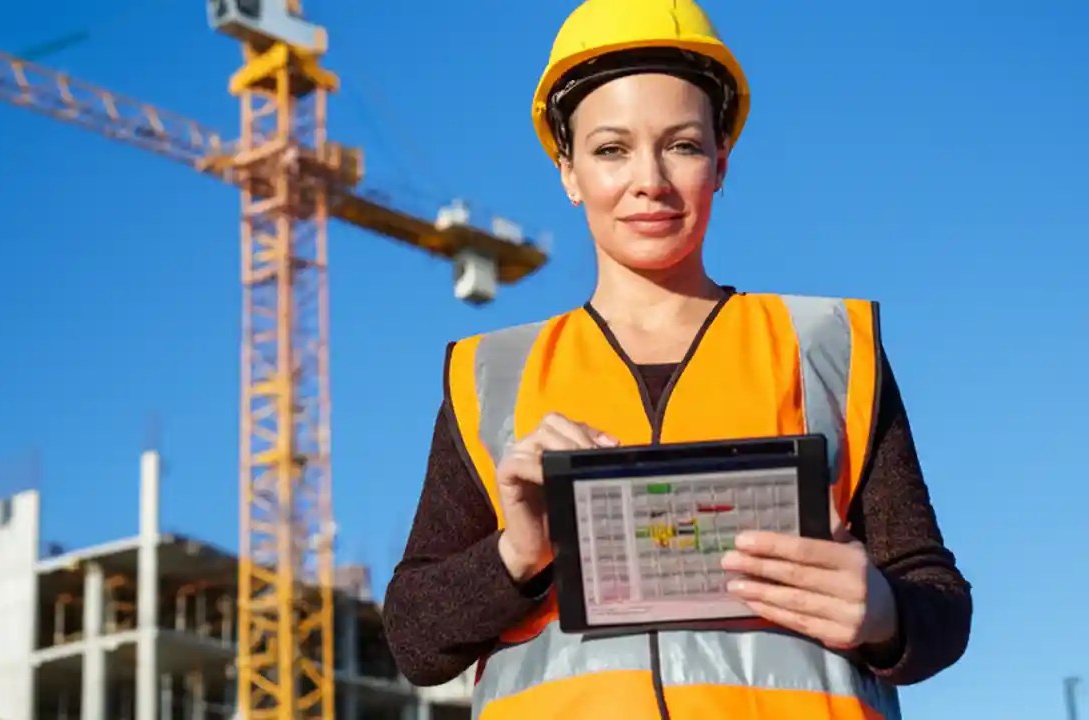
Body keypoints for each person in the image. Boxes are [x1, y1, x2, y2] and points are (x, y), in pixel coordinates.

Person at [381, 0, 972, 718]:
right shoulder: (494, 377)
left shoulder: (826, 347)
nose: (649, 180)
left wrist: (883, 613)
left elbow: (938, 599)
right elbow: (414, 637)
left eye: (683, 145)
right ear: (566, 170)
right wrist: (517, 553)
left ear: (721, 161)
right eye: (610, 149)